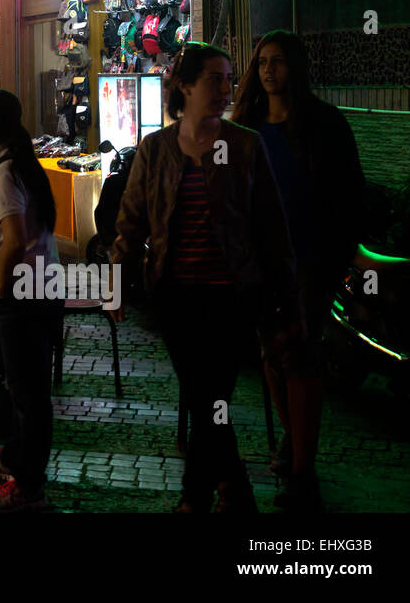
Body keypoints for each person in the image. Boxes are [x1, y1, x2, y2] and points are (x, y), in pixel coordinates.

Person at [111, 43, 299, 513]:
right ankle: (233, 490)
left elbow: (272, 228)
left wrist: (285, 301)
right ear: (185, 86)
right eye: (214, 79)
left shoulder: (244, 145)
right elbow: (130, 222)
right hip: (176, 296)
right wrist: (118, 282)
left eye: (229, 78)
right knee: (204, 397)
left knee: (207, 396)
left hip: (234, 297)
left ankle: (198, 498)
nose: (224, 89)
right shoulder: (155, 150)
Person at [232, 29, 364, 511]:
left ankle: (304, 473)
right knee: (272, 355)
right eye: (263, 61)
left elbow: (349, 195)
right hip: (262, 261)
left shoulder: (323, 125)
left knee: (302, 357)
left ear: (296, 67)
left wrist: (337, 256)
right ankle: (294, 442)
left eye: (279, 61)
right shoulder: (246, 124)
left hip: (311, 259)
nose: (269, 70)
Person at [0, 89, 62, 513]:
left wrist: (0, 287)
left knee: (28, 393)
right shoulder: (18, 165)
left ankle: (29, 489)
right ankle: (16, 459)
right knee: (29, 388)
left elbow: (14, 239)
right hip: (41, 290)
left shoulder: (6, 175)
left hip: (23, 295)